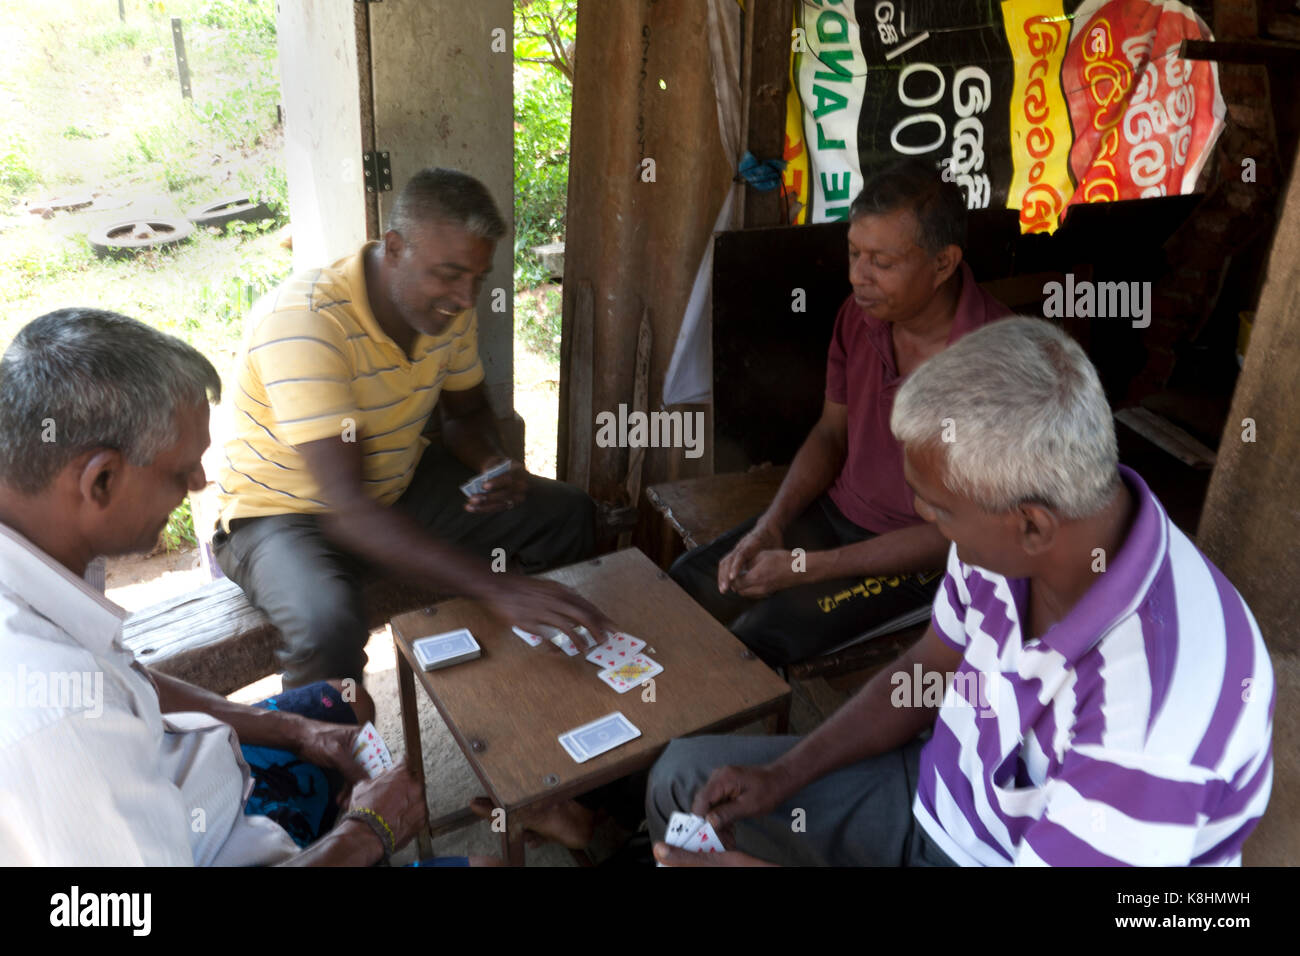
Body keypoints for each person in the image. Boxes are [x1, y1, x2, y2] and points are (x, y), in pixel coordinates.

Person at [648, 317, 1274, 867]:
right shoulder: (1008, 548)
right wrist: (784, 775)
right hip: (934, 796)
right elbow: (929, 664)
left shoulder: (1157, 714)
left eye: (938, 510)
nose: (923, 520)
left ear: (1031, 525)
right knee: (682, 781)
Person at [0, 308, 484, 865]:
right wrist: (369, 829)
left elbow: (125, 680)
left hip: (190, 782)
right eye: (182, 471)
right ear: (101, 479)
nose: (200, 484)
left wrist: (292, 728)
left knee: (342, 704)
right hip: (203, 839)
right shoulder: (57, 728)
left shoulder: (46, 553)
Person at [213, 167, 612, 689]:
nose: (467, 298)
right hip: (281, 514)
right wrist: (498, 587)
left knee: (568, 515)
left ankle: (540, 688)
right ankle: (328, 761)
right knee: (326, 621)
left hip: (391, 488)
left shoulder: (446, 311)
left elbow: (464, 415)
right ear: (395, 248)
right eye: (449, 275)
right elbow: (347, 511)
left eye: (477, 278)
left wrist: (492, 463)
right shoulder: (306, 321)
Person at [669, 159, 1012, 669]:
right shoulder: (861, 316)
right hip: (838, 514)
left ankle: (738, 749)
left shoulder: (995, 363)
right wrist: (771, 525)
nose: (858, 277)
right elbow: (832, 433)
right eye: (853, 253)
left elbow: (958, 534)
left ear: (943, 264)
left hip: (925, 560)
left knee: (756, 645)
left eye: (882, 262)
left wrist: (805, 569)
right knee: (684, 588)